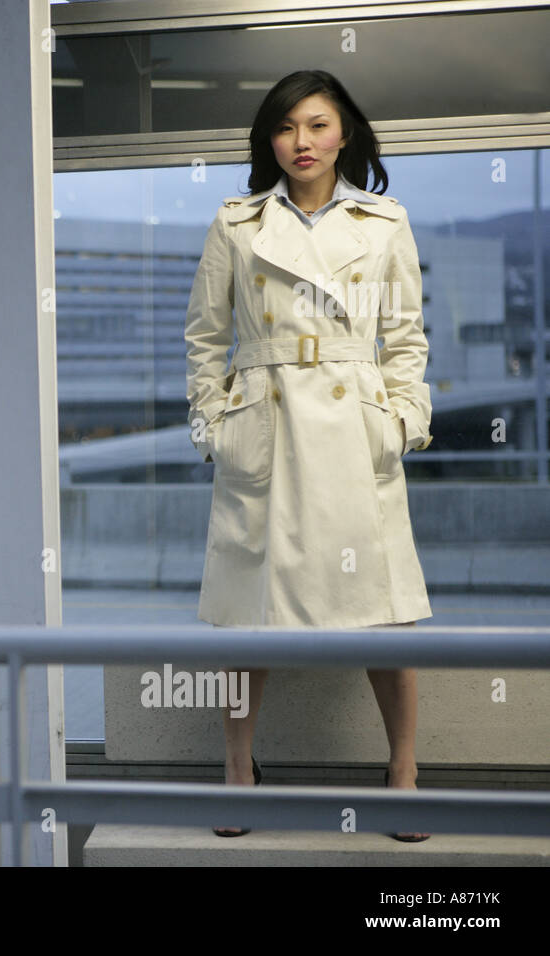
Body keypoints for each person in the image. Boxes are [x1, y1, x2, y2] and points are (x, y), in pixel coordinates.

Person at [183, 69, 433, 842]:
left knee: (385, 617)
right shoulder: (237, 224)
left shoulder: (385, 222)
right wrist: (214, 426)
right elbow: (203, 337)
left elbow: (407, 339)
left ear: (345, 133)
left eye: (318, 125)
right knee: (243, 621)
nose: (302, 142)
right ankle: (237, 771)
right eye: (287, 127)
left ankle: (403, 774)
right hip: (268, 430)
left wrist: (400, 424)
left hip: (355, 433)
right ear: (270, 138)